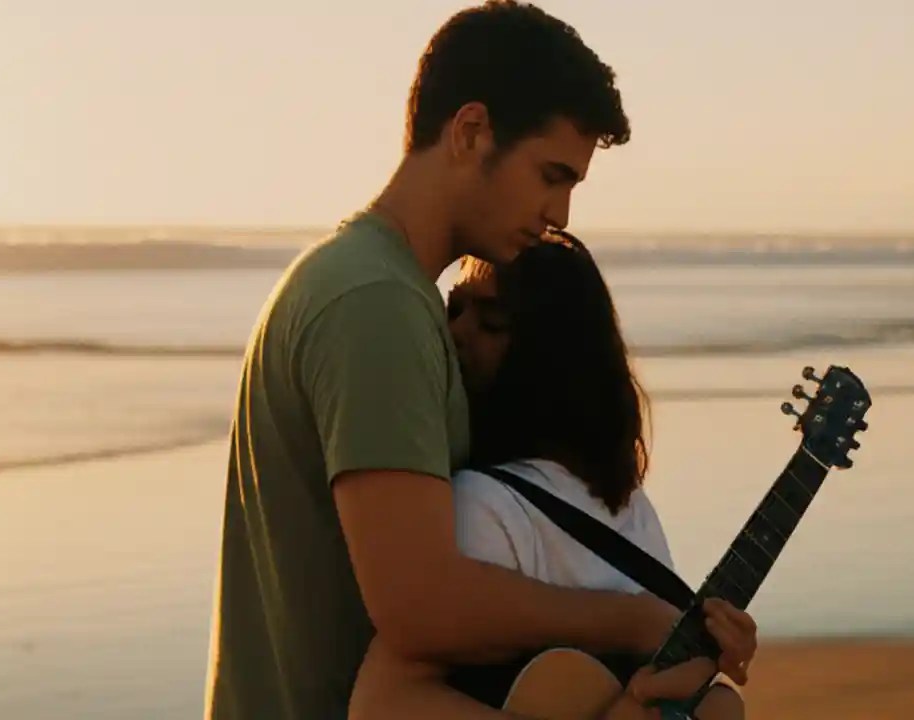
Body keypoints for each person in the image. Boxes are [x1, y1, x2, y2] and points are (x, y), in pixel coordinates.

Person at [203, 3, 756, 718]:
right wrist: (635, 620)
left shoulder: (373, 290)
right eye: (550, 174)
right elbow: (420, 607)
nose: (560, 213)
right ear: (470, 133)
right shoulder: (373, 304)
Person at [347, 233, 751, 719]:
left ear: (552, 356)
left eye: (491, 321)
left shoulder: (485, 503)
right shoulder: (626, 506)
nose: (456, 332)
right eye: (453, 310)